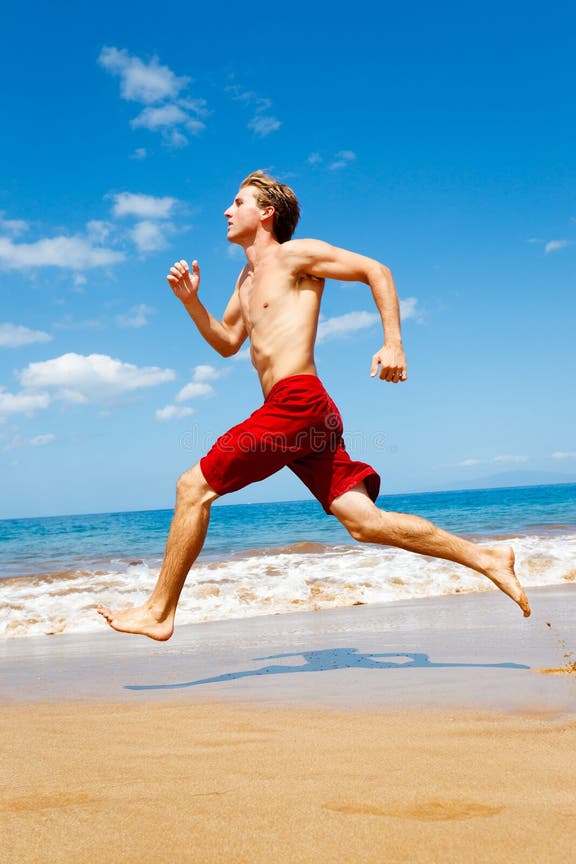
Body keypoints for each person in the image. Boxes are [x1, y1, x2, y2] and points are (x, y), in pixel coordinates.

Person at [98, 171, 530, 639]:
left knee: (192, 487)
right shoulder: (245, 279)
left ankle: (160, 611)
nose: (226, 211)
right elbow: (226, 342)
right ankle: (486, 557)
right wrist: (191, 301)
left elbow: (376, 271)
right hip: (303, 412)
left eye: (237, 202)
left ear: (266, 213)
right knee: (364, 523)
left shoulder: (294, 256)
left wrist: (394, 344)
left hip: (296, 401)